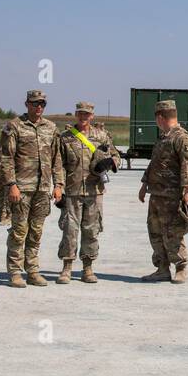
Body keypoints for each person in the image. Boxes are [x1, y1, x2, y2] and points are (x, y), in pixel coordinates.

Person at [0, 90, 61, 288]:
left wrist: (58, 184)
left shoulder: (51, 128)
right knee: (19, 231)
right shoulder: (14, 126)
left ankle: (33, 270)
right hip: (21, 188)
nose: (39, 107)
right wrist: (11, 185)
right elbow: (6, 158)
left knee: (36, 231)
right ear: (27, 104)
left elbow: (56, 159)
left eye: (42, 104)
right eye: (35, 103)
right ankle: (15, 272)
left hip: (42, 188)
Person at [55, 102, 118, 284]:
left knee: (92, 230)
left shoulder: (101, 136)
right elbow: (59, 164)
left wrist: (111, 163)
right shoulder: (65, 138)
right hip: (72, 190)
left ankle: (87, 268)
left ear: (92, 116)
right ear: (76, 114)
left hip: (94, 191)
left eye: (87, 114)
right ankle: (67, 268)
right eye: (81, 114)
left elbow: (115, 156)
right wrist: (58, 186)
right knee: (69, 230)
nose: (84, 117)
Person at [138, 100, 188, 283]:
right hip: (156, 195)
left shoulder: (181, 138)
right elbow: (155, 163)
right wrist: (144, 184)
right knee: (155, 232)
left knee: (173, 232)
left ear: (160, 117)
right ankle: (162, 269)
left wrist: (187, 191)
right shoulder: (164, 137)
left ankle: (181, 268)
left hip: (172, 196)